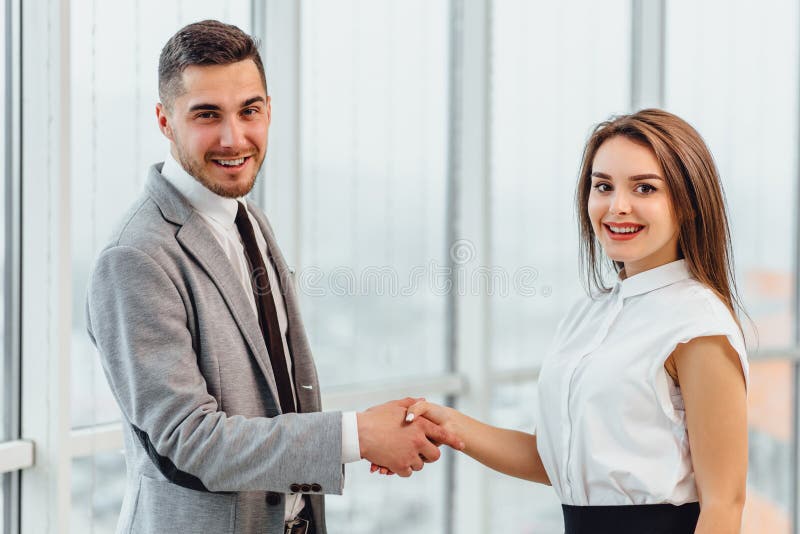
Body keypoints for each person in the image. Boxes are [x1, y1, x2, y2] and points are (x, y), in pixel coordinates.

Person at [85, 20, 462, 534]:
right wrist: (357, 436)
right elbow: (190, 442)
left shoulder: (246, 218)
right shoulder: (135, 257)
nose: (233, 137)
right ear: (164, 120)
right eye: (206, 115)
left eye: (250, 110)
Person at [386, 109, 749, 534]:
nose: (618, 207)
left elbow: (724, 504)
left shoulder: (697, 323)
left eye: (645, 188)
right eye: (603, 186)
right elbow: (553, 461)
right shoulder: (589, 315)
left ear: (688, 204)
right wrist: (450, 424)